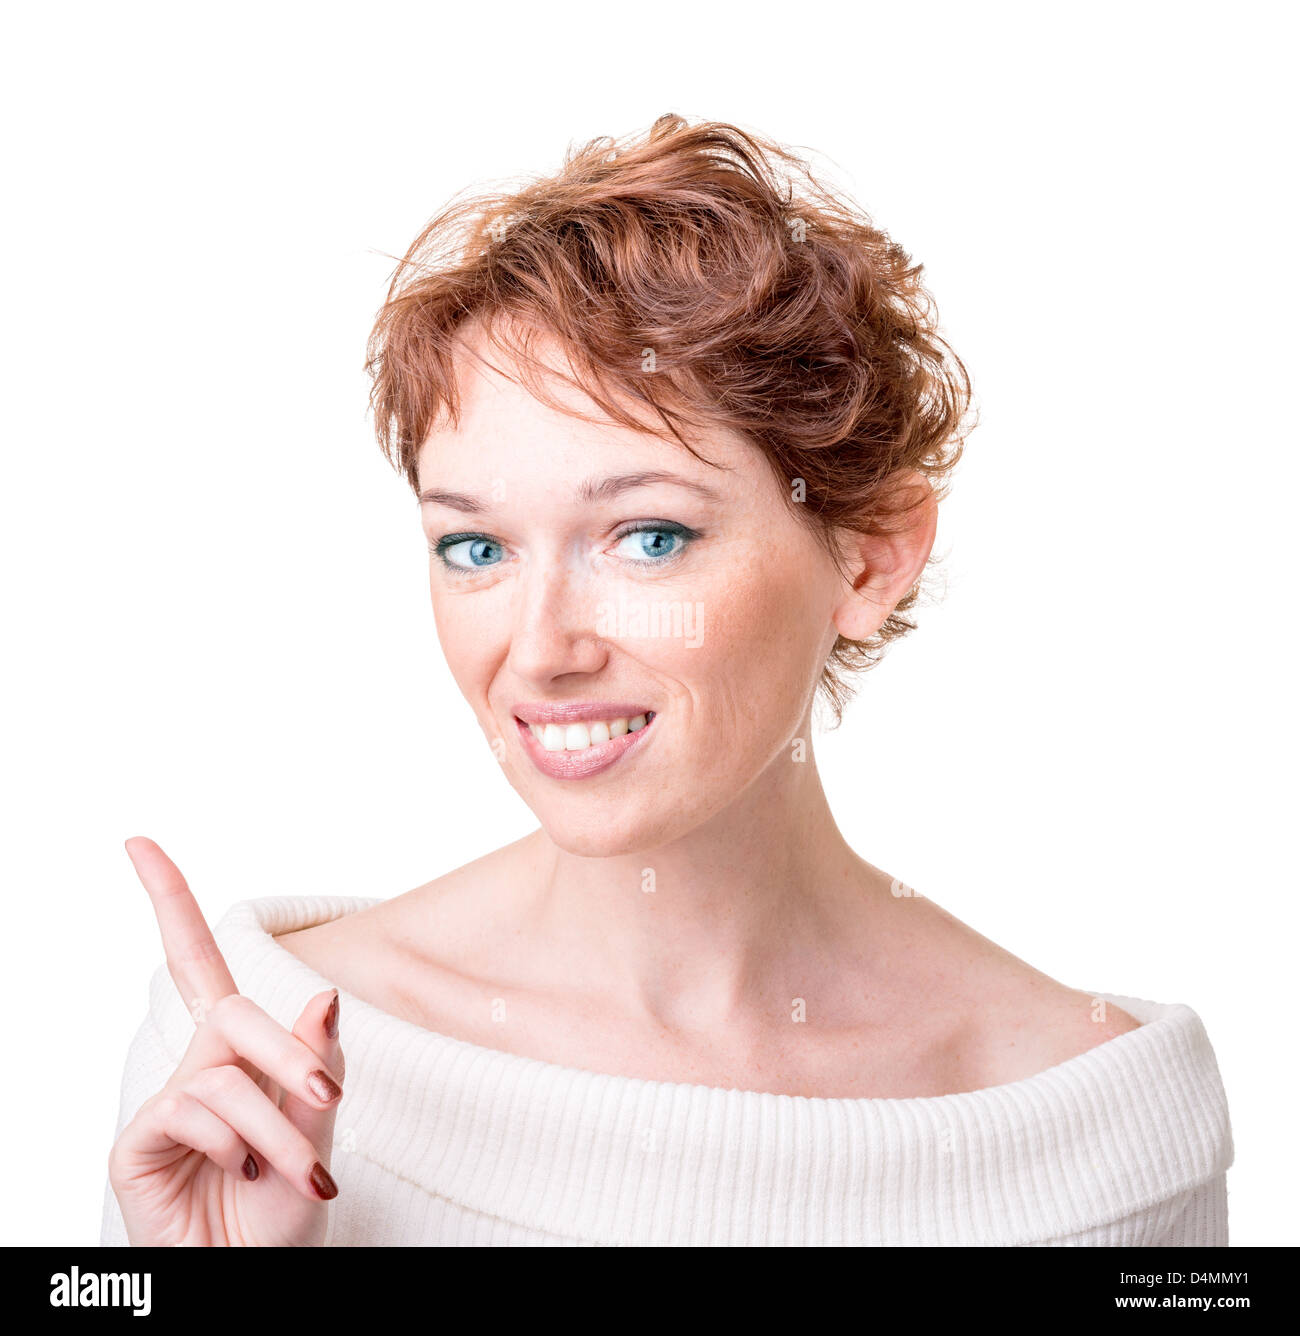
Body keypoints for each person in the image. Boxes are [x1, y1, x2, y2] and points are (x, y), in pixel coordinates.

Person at [102, 115, 1233, 1246]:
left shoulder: (1093, 1129)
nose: (541, 648)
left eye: (646, 537)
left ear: (870, 554)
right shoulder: (259, 1047)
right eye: (476, 548)